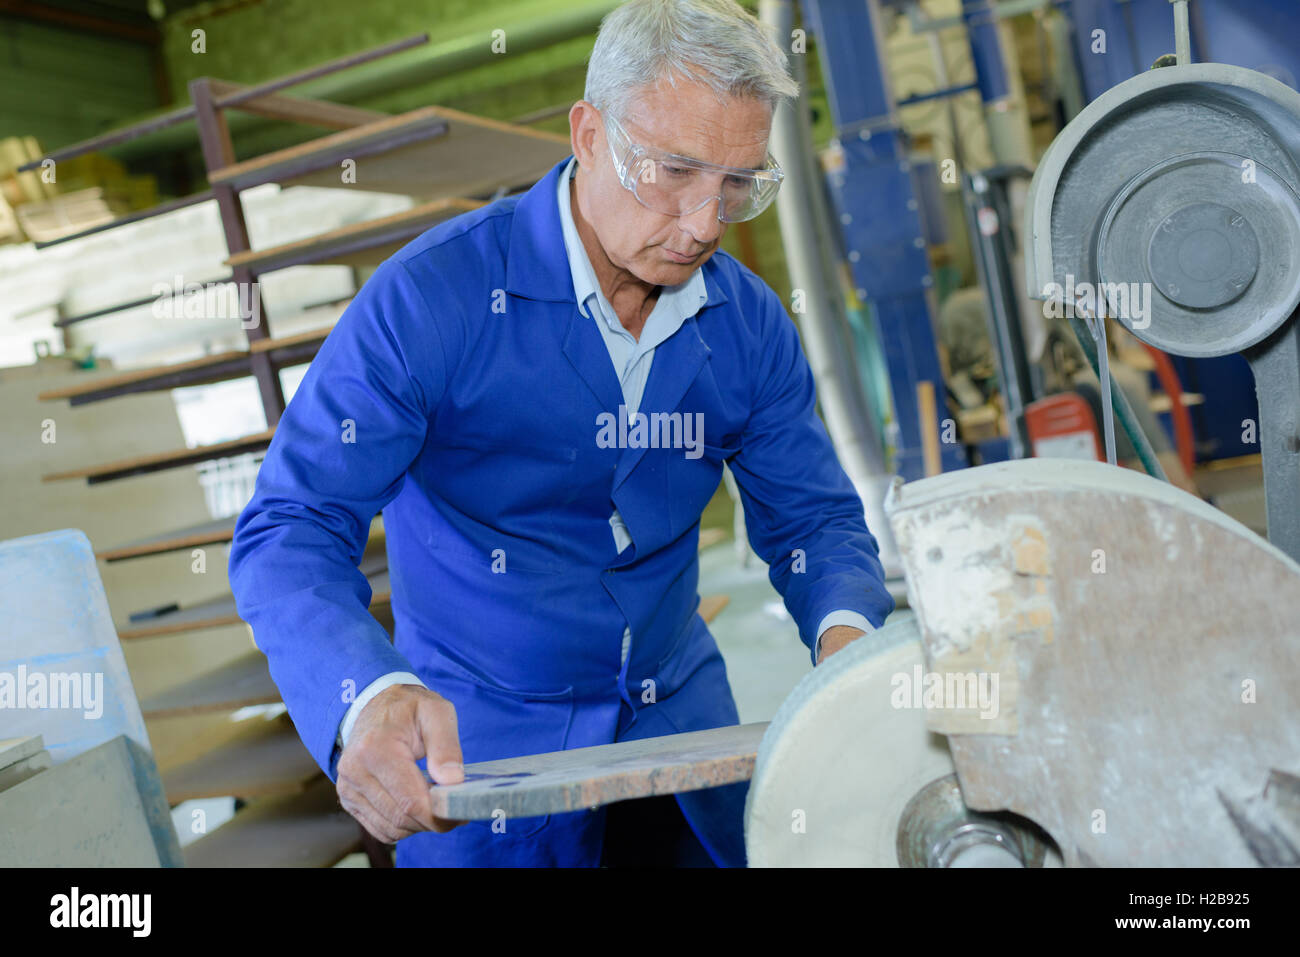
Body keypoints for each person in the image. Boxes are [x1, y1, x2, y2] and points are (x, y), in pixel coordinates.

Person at [228, 0, 894, 868]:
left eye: (738, 184)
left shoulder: (747, 325)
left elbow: (812, 523)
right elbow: (291, 526)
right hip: (484, 752)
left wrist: (849, 643)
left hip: (683, 733)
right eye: (674, 172)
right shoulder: (433, 301)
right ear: (587, 133)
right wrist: (366, 695)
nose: (704, 224)